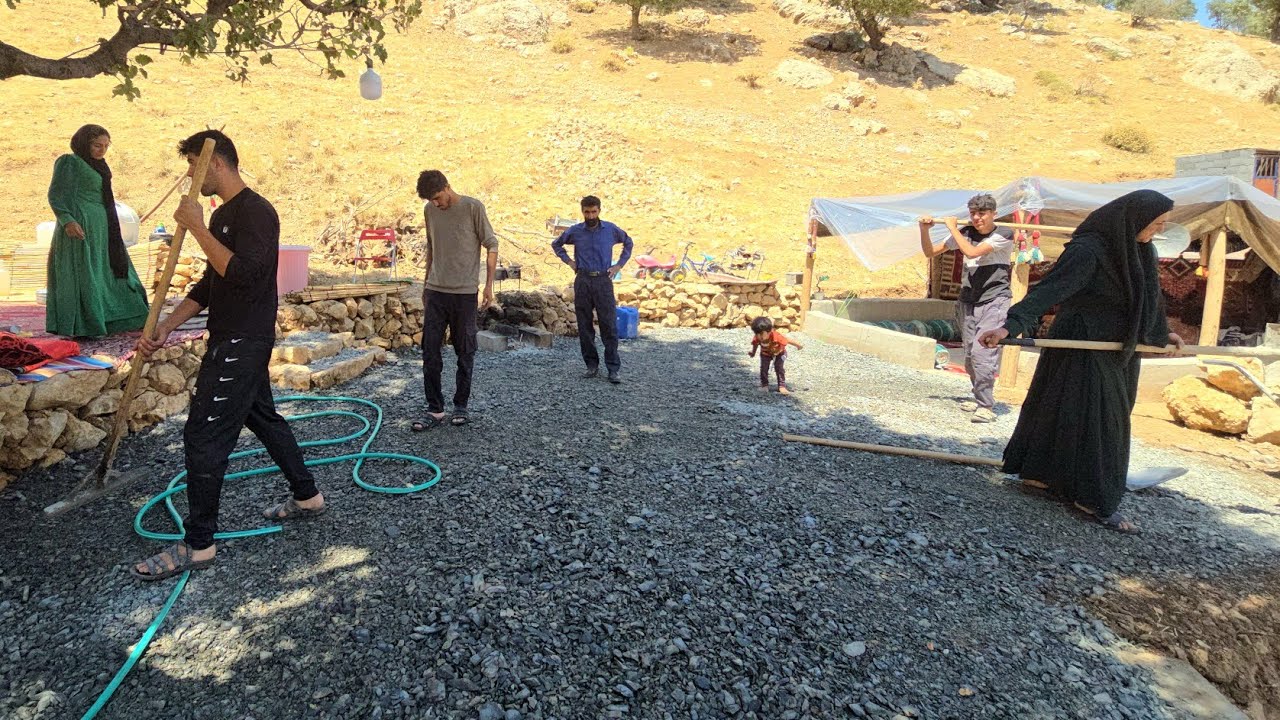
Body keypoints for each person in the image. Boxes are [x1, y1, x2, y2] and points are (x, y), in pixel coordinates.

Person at [131, 130, 325, 580]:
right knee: (263, 417)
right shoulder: (223, 217)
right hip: (230, 336)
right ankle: (307, 497)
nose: (190, 176)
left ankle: (199, 545)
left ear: (215, 162)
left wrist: (197, 226)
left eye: (194, 166)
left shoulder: (256, 213)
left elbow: (244, 274)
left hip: (242, 341)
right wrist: (166, 325)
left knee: (203, 436)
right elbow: (210, 285)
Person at [978, 189, 1185, 535]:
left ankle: (1043, 474)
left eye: (1162, 225)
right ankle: (1094, 498)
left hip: (1117, 346)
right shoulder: (1089, 250)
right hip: (1081, 341)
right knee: (1101, 418)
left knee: (1078, 408)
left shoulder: (1141, 251)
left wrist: (1161, 336)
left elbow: (1150, 299)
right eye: (1155, 224)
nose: (1157, 231)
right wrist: (1009, 326)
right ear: (1133, 220)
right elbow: (1050, 291)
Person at [411, 170, 498, 431]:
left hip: (464, 294)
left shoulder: (473, 207)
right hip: (436, 291)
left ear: (447, 187)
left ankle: (461, 405)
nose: (436, 204)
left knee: (465, 351)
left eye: (438, 198)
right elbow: (431, 247)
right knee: (430, 351)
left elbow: (491, 244)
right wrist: (426, 285)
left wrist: (488, 287)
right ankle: (435, 409)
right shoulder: (429, 210)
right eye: (431, 200)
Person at [45, 124, 150, 338]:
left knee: (112, 272)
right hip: (79, 228)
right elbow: (56, 194)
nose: (101, 150)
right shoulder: (70, 162)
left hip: (103, 230)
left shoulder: (100, 166)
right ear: (84, 143)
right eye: (96, 145)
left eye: (105, 146)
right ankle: (85, 325)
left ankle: (117, 320)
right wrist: (67, 220)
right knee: (85, 274)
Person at [918, 193, 1014, 423]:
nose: (977, 218)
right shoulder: (966, 234)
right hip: (968, 299)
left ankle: (986, 406)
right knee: (970, 354)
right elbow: (930, 252)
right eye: (973, 214)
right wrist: (924, 230)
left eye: (982, 213)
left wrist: (952, 228)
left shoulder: (1004, 234)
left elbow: (971, 252)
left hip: (994, 299)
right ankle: (979, 395)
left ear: (994, 214)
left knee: (983, 351)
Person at [552, 195, 634, 384]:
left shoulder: (611, 230)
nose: (590, 215)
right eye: (587, 212)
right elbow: (556, 244)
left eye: (593, 211)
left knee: (609, 325)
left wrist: (619, 266)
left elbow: (628, 243)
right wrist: (570, 262)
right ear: (582, 212)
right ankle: (591, 366)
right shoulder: (575, 231)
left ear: (599, 210)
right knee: (584, 325)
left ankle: (613, 369)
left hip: (603, 281)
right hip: (582, 280)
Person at [748, 316, 802, 395]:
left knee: (779, 368)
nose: (760, 337)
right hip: (765, 354)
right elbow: (755, 344)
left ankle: (782, 386)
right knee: (764, 368)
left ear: (769, 331)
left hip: (779, 353)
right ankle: (764, 385)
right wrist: (753, 353)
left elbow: (787, 340)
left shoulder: (776, 336)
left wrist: (798, 345)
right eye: (757, 334)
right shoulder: (757, 337)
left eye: (762, 334)